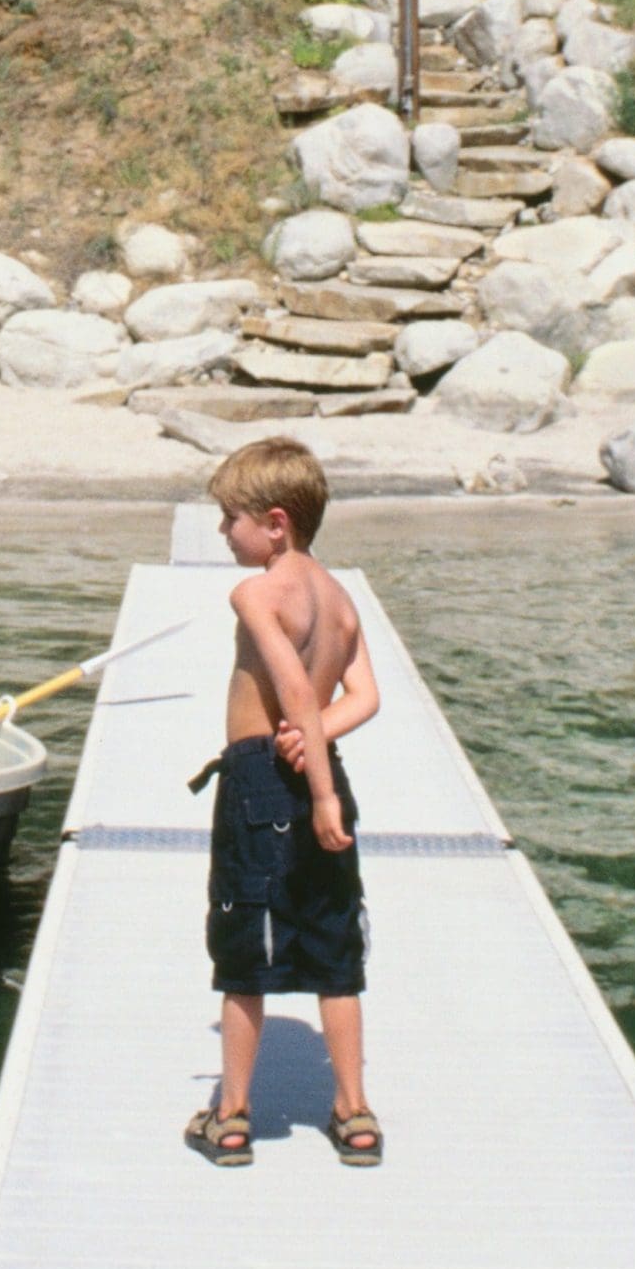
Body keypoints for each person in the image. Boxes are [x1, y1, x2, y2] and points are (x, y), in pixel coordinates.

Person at [184, 437, 382, 1170]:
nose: (220, 533)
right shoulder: (339, 598)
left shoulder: (258, 591)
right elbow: (362, 697)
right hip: (315, 770)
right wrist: (320, 744)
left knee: (244, 950)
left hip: (261, 781)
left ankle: (231, 1116)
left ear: (274, 522)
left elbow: (294, 691)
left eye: (227, 518)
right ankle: (353, 1112)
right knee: (335, 947)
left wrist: (312, 773)